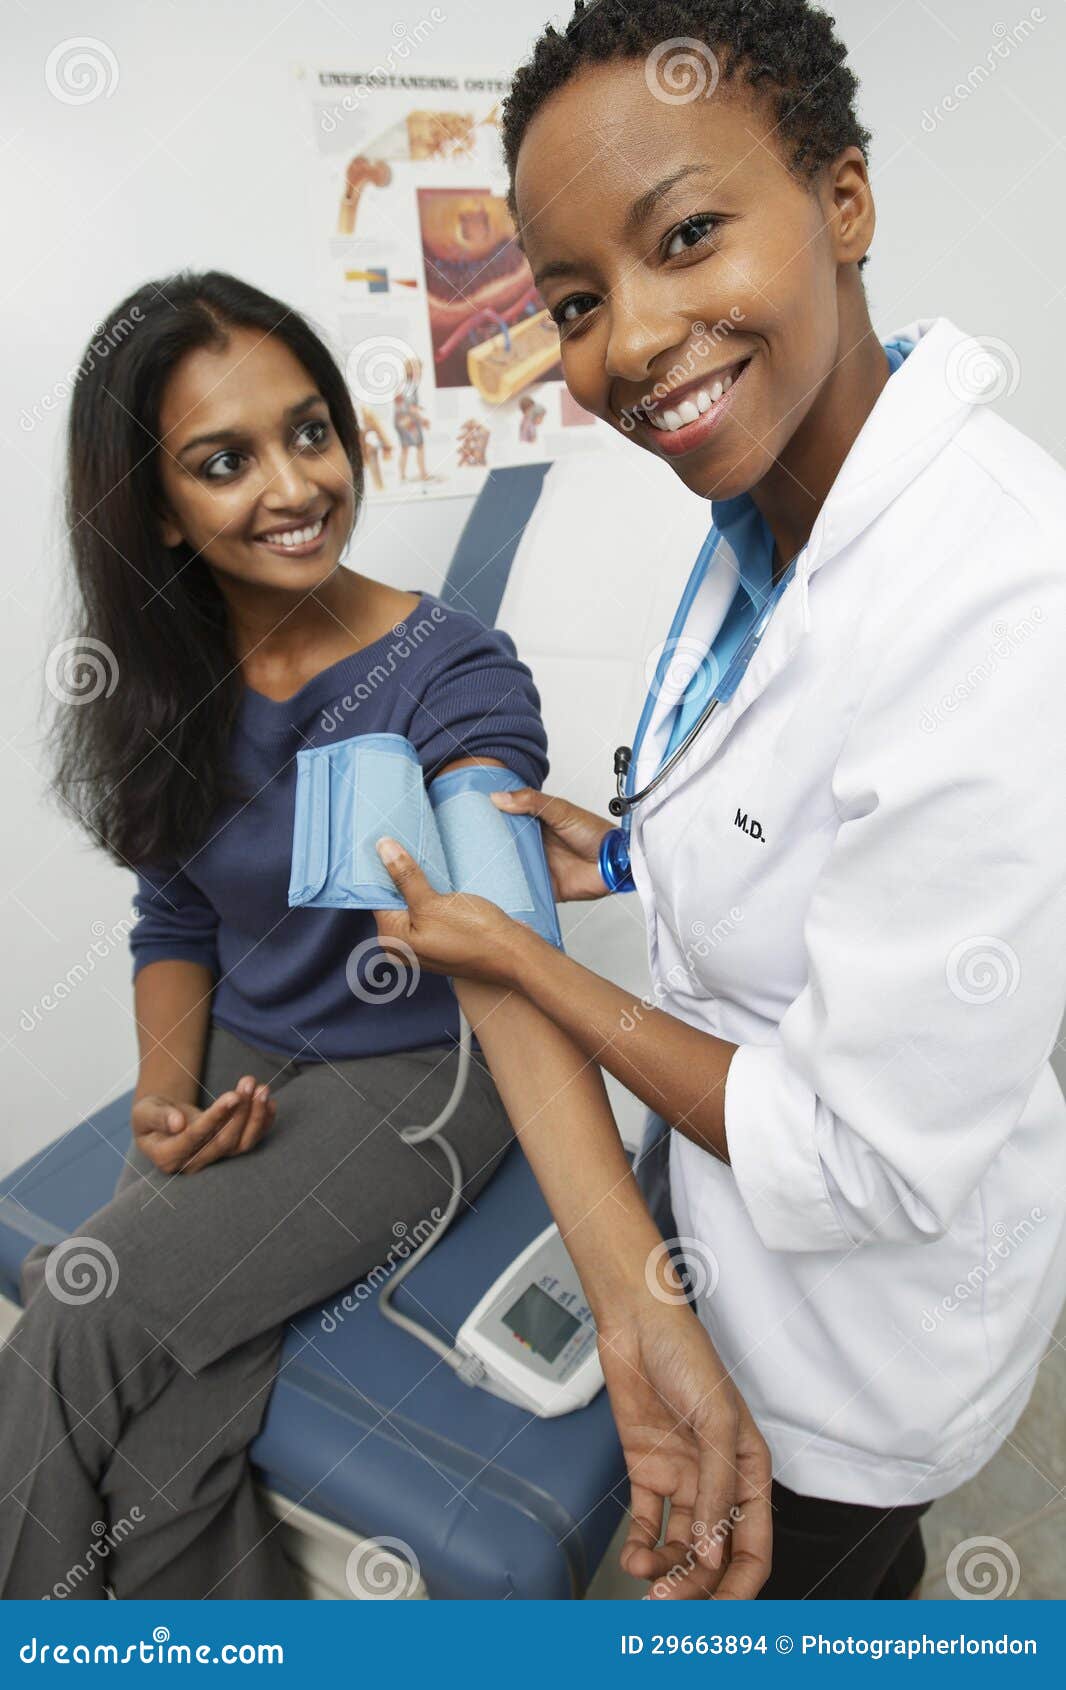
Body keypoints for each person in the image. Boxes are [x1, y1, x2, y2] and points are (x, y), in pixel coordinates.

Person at [370, 0, 1066, 1599]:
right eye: (576, 301)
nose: (631, 340)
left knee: (821, 1578)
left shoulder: (997, 594)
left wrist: (529, 961)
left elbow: (864, 1163)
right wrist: (621, 851)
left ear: (842, 199)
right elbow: (809, 803)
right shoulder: (775, 502)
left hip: (861, 1338)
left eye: (685, 233)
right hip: (730, 1249)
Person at [0, 267, 769, 1601]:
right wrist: (162, 1103)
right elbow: (173, 907)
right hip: (247, 1051)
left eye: (308, 430)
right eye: (224, 460)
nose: (292, 482)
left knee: (84, 1313)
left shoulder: (449, 672)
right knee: (173, 1417)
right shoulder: (170, 681)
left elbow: (503, 956)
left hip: (421, 1069)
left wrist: (636, 1311)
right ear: (162, 513)